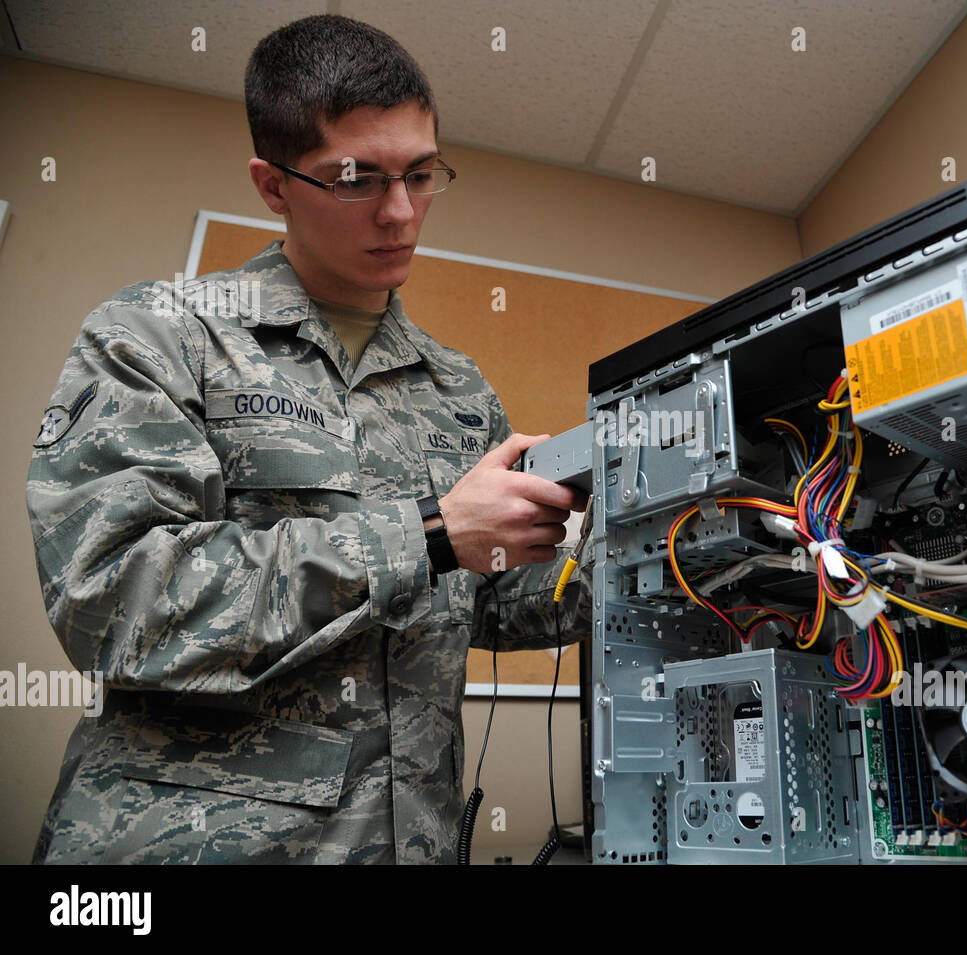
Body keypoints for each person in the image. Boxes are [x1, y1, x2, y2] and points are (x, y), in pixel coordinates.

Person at [27, 14, 589, 864]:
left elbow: (489, 603)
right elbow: (113, 600)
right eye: (356, 178)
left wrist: (656, 553)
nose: (401, 212)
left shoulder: (458, 387)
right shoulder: (161, 334)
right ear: (273, 183)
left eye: (422, 174)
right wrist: (428, 535)